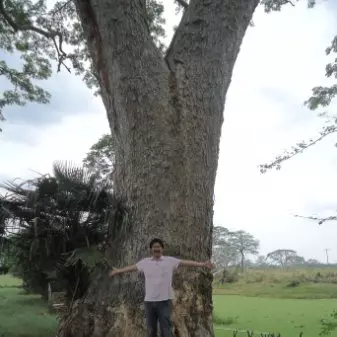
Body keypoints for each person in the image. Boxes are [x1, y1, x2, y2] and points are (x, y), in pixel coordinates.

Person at [109, 237, 213, 337]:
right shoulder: (145, 262)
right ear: (151, 249)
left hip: (164, 301)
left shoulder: (169, 261)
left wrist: (202, 264)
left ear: (162, 249)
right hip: (149, 302)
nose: (156, 248)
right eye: (154, 247)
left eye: (158, 246)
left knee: (165, 329)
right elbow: (132, 268)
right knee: (151, 330)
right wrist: (118, 271)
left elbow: (185, 262)